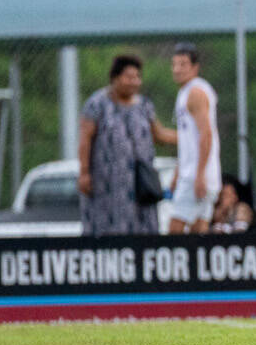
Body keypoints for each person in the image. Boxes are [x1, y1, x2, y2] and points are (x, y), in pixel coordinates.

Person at [78, 53, 165, 237]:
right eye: (129, 77)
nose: (134, 82)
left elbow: (159, 134)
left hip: (138, 182)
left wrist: (191, 137)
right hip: (106, 182)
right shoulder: (97, 104)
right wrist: (84, 172)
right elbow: (85, 139)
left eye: (137, 77)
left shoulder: (144, 105)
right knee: (107, 228)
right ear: (115, 78)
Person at [166, 43, 220, 235]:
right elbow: (188, 140)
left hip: (197, 176)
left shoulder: (196, 92)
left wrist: (199, 175)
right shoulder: (184, 93)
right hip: (192, 173)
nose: (177, 69)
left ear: (195, 67)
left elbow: (206, 134)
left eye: (183, 64)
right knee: (199, 229)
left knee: (175, 230)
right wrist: (177, 172)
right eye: (174, 64)